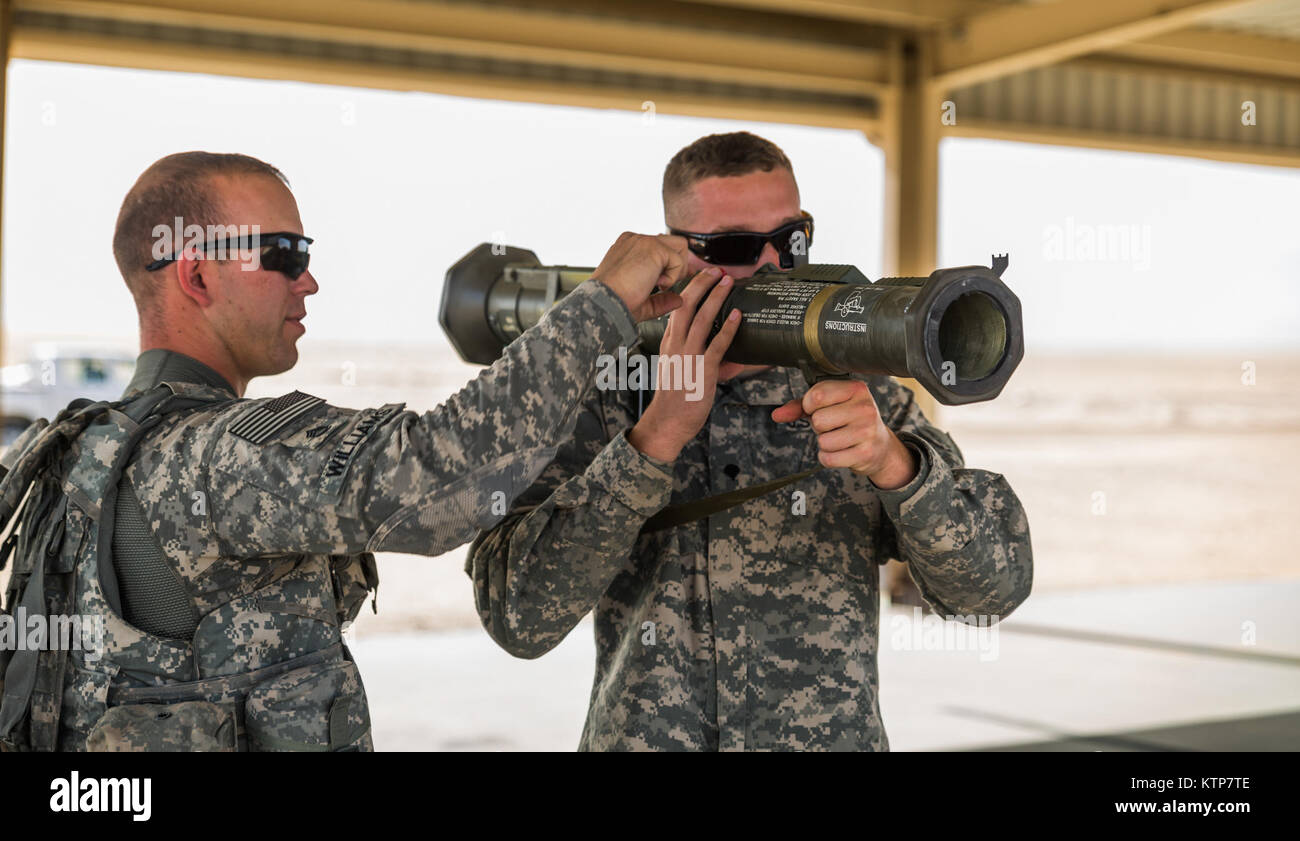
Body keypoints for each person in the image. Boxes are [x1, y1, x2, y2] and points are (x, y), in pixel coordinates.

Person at [0, 151, 705, 752]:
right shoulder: (220, 456)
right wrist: (601, 303)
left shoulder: (80, 449)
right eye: (284, 255)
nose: (308, 280)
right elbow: (446, 475)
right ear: (197, 277)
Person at [466, 131, 1033, 751]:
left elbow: (991, 592)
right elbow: (518, 619)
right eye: (735, 246)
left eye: (790, 240)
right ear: (671, 257)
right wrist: (653, 439)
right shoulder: (605, 390)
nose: (770, 267)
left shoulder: (863, 395)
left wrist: (894, 465)